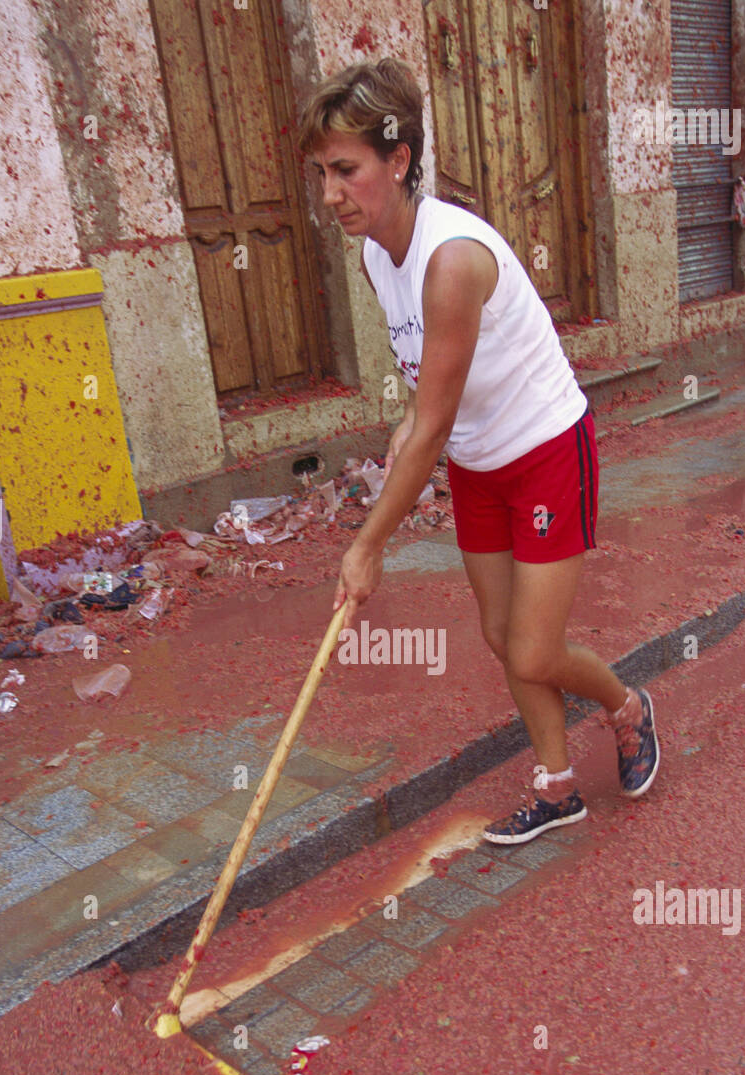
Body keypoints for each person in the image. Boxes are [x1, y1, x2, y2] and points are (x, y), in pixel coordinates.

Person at [297, 57, 658, 844]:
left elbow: (427, 426)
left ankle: (626, 707)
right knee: (502, 638)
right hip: (475, 460)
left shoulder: (451, 258)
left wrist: (367, 546)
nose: (329, 195)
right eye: (322, 173)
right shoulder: (372, 255)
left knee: (532, 648)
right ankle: (557, 785)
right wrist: (414, 422)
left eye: (346, 171)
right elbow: (429, 390)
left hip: (543, 449)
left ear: (398, 161)